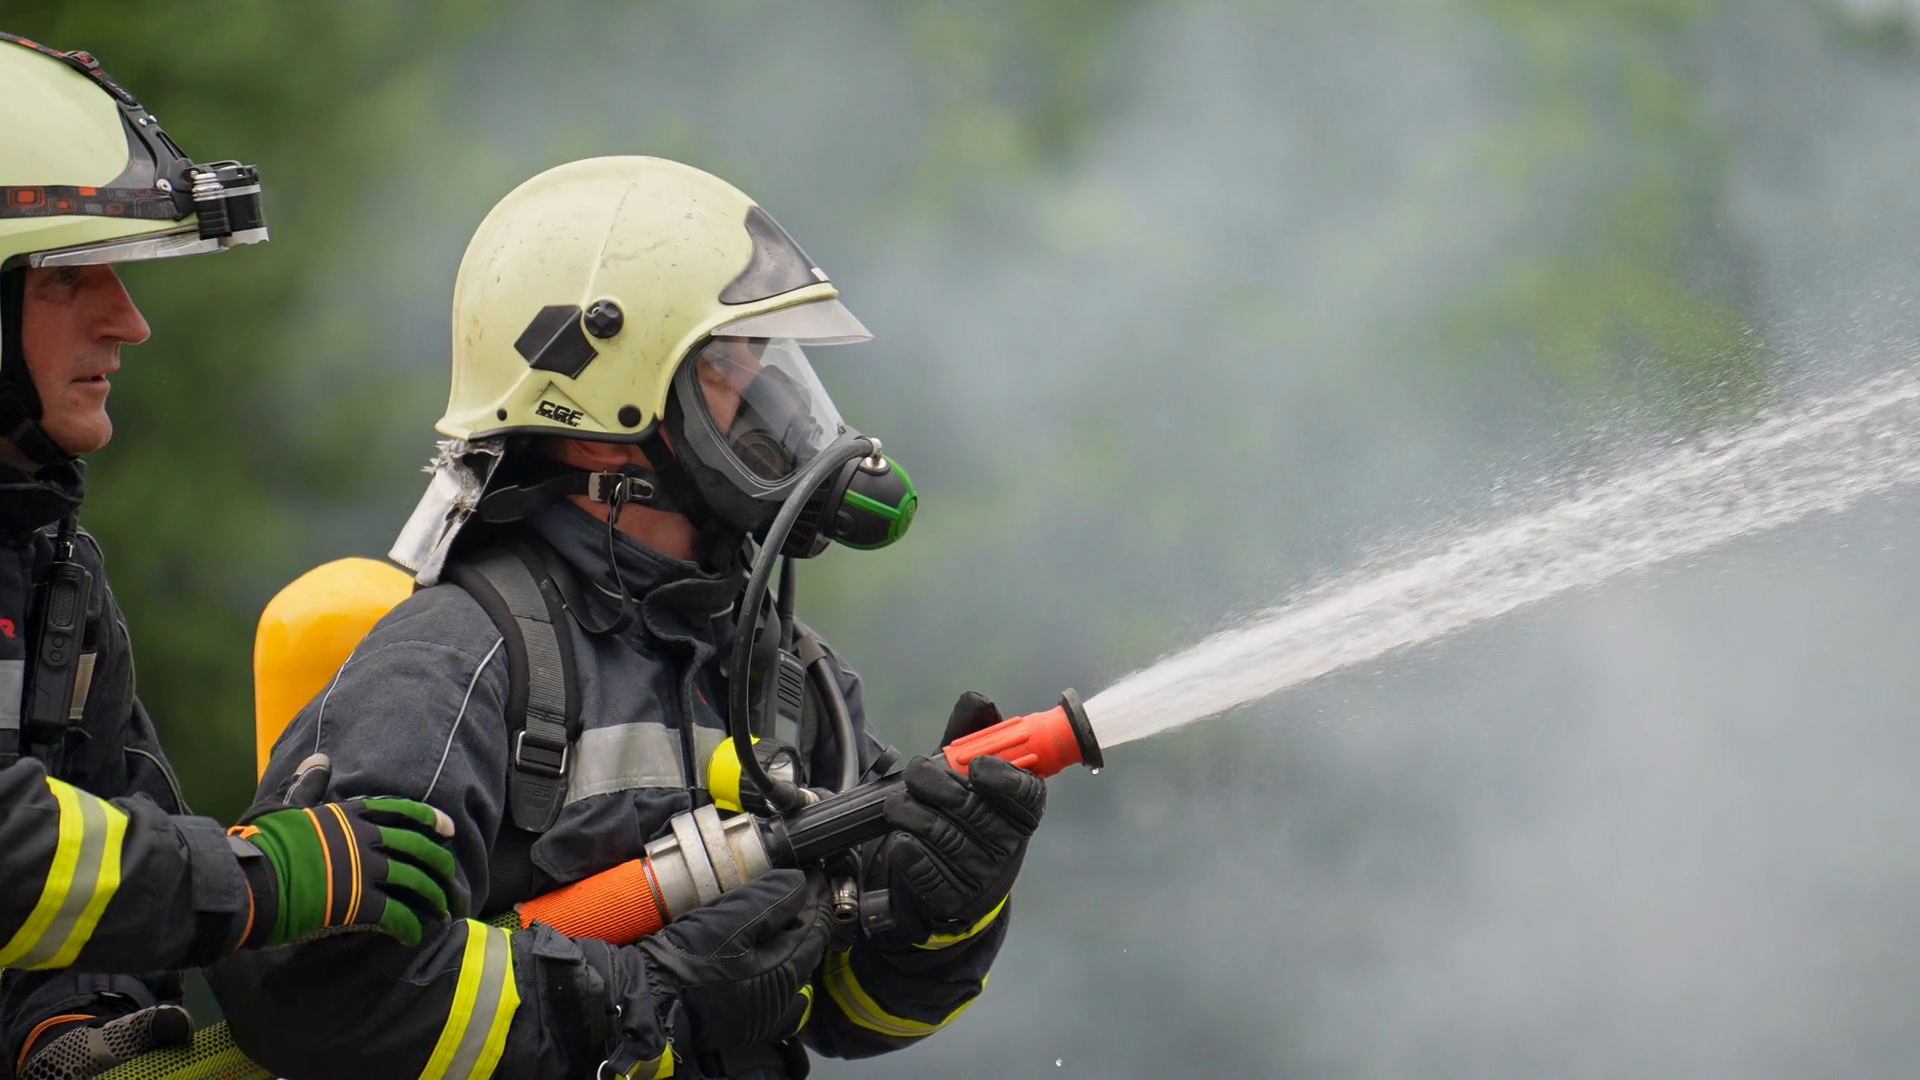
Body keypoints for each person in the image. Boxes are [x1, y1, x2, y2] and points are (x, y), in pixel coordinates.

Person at [211, 156, 1048, 1080]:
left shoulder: (787, 677)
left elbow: (852, 1018)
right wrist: (641, 1001)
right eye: (732, 370)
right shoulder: (455, 663)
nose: (782, 414)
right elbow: (311, 993)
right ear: (603, 421)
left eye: (775, 371)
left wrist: (942, 908)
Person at [0, 33, 460, 1080]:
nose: (130, 322)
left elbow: (97, 853)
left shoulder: (49, 575)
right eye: (73, 276)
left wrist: (68, 1034)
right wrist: (260, 874)